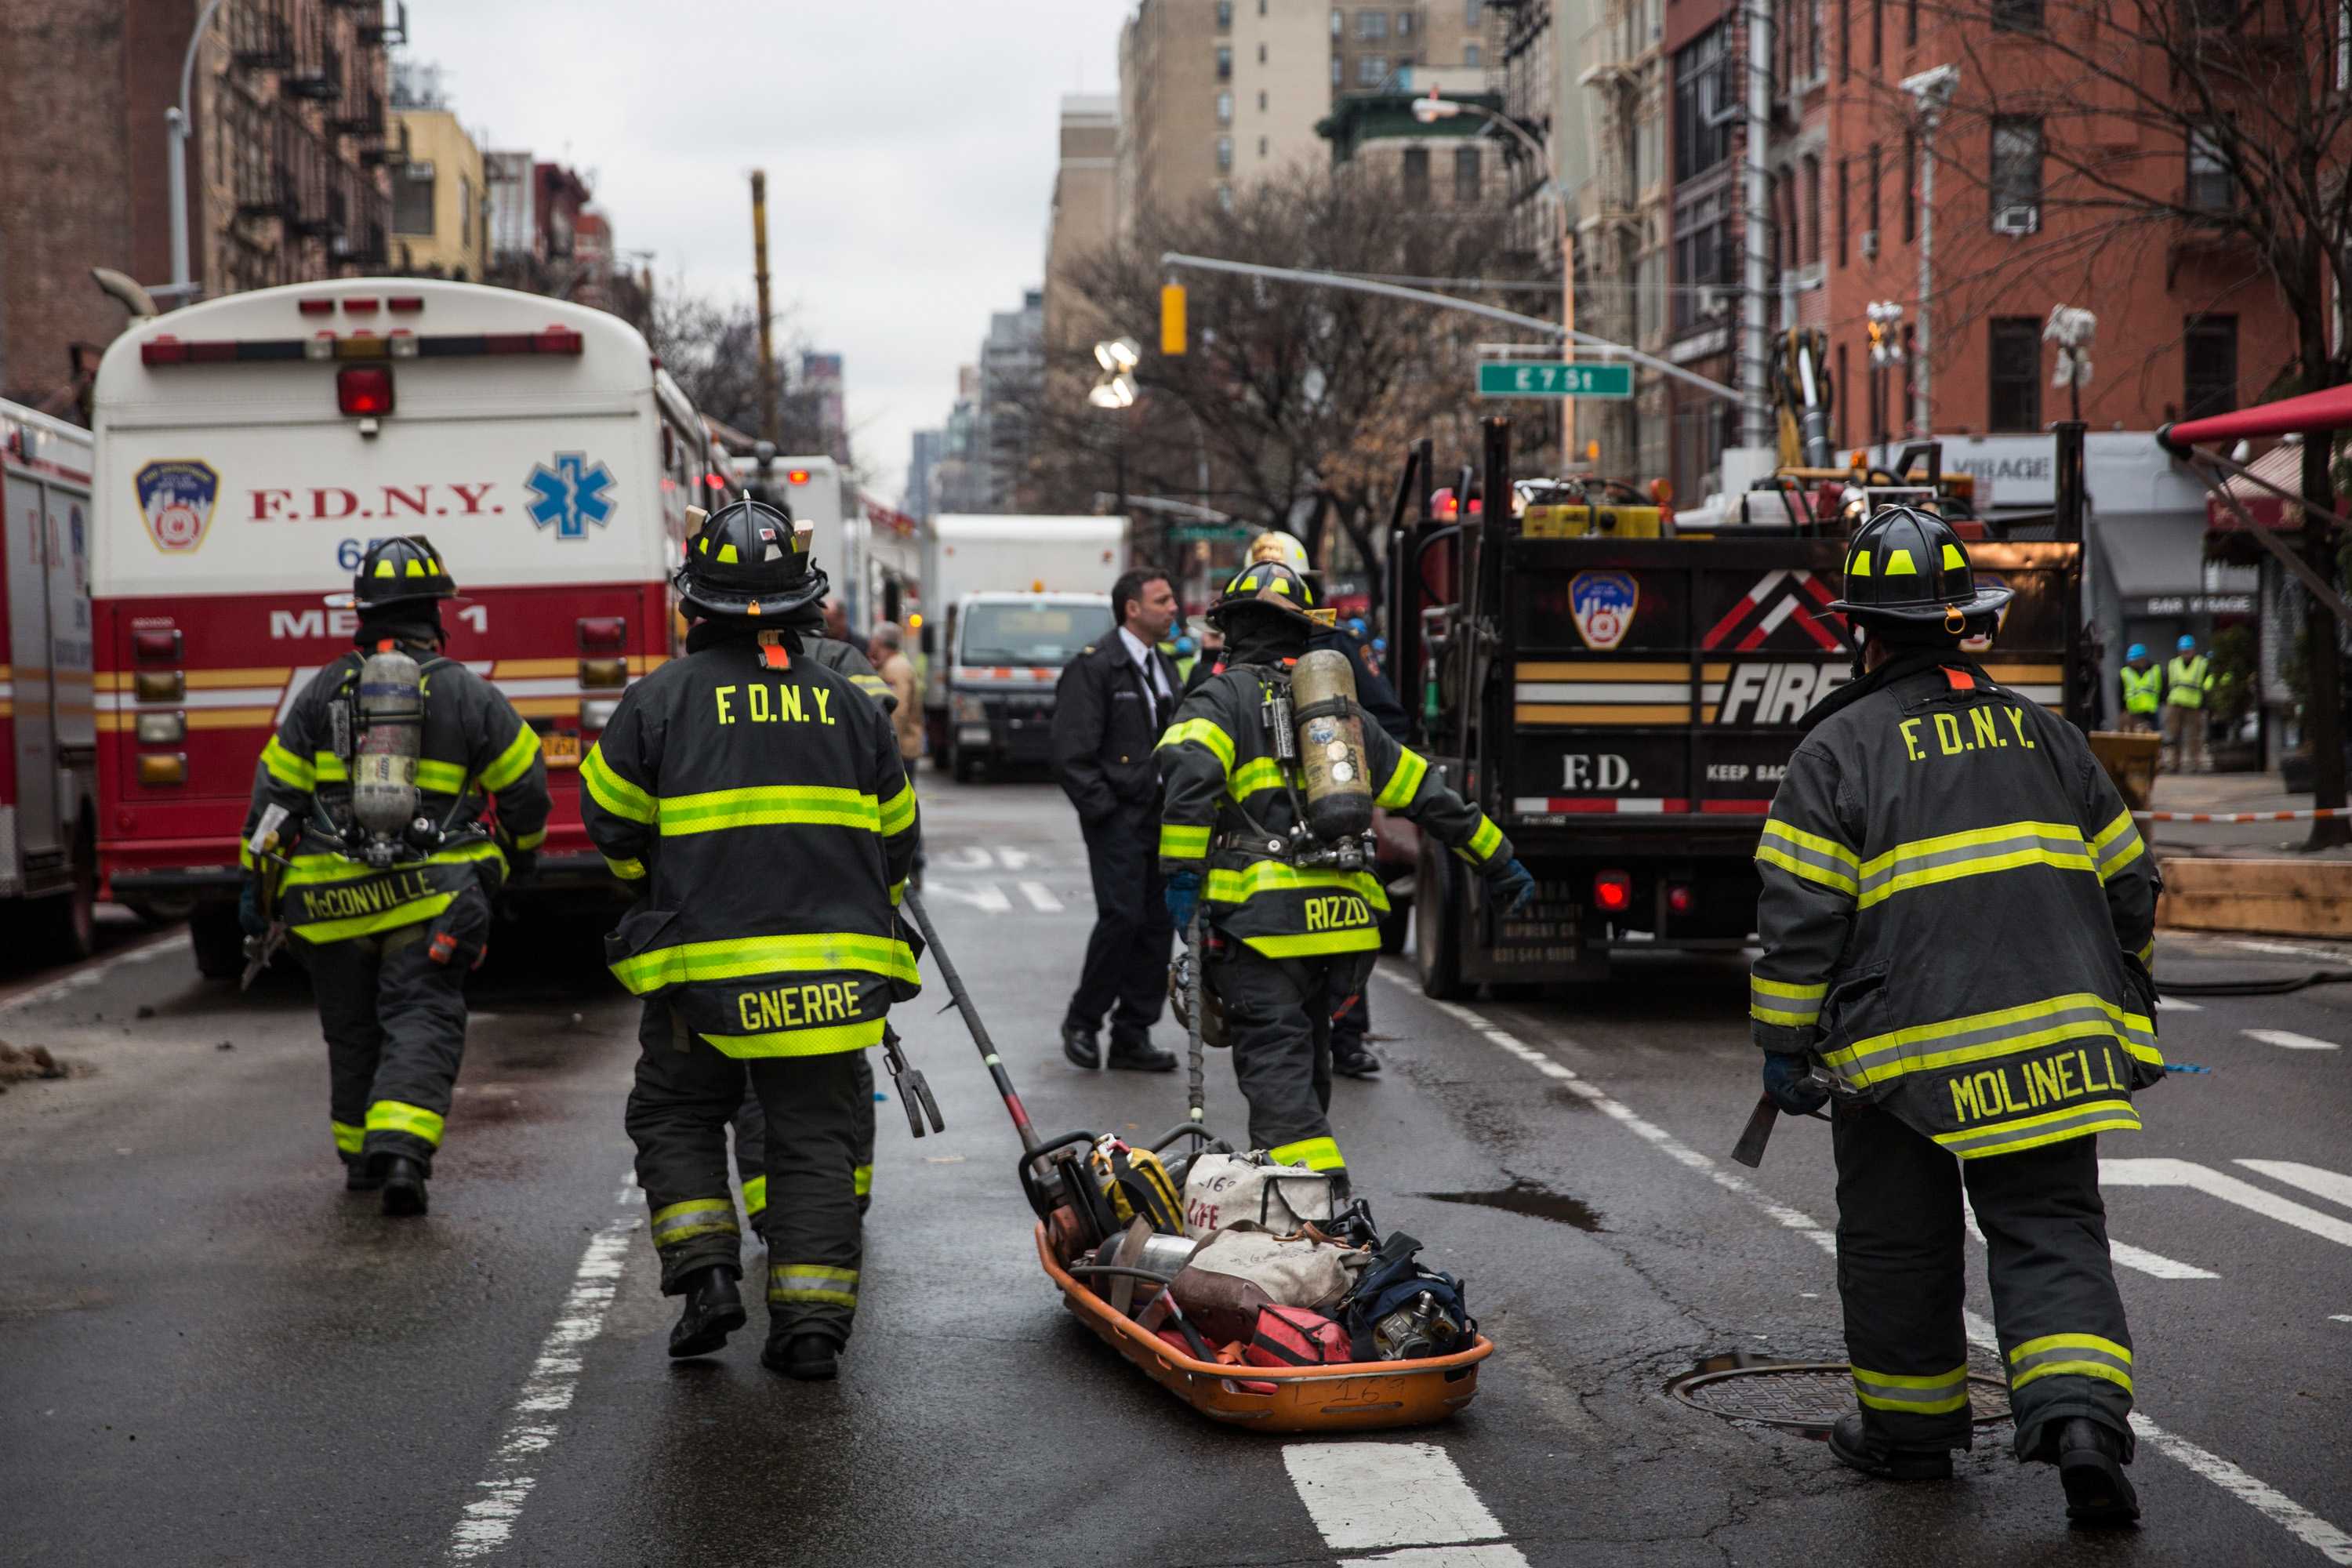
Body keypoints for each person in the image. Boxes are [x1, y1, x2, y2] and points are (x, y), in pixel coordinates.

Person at [1750, 504, 2161, 1525]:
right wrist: (2126, 996)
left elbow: (1801, 925)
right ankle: (2080, 1424)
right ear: (1962, 621)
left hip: (1904, 1061)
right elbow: (2132, 884)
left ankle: (1910, 1436)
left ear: (1863, 628)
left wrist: (1783, 1047)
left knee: (1899, 1240)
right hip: (2056, 1047)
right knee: (2051, 1226)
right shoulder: (2049, 735)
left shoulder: (1835, 751)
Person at [582, 499, 920, 1381]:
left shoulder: (654, 704)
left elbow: (610, 827)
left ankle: (709, 1279)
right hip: (833, 981)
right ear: (804, 604)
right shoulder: (854, 705)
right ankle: (811, 1329)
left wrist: (653, 892)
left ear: (695, 605)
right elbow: (900, 845)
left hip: (702, 977)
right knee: (812, 1134)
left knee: (677, 1108)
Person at [1156, 561, 1534, 1192]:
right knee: (1308, 1063)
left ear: (1234, 630)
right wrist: (1499, 861)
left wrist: (1180, 878)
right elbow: (1426, 791)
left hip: (1262, 929)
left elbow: (1188, 781)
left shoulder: (1220, 699)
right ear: (1303, 634)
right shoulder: (1339, 718)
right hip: (1344, 929)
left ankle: (1319, 1209)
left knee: (1278, 1079)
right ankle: (1302, 1202)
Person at [244, 536, 549, 1216]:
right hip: (431, 900)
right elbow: (526, 788)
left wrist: (255, 889)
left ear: (363, 614)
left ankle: (360, 1162)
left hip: (327, 903)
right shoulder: (468, 692)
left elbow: (274, 801)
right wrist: (522, 852)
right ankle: (404, 1152)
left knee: (351, 1032)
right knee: (421, 1018)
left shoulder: (321, 690)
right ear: (437, 612)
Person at [725, 554, 898, 1225]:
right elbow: (878, 742)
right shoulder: (840, 663)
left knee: (756, 1069)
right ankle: (839, 1197)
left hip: (740, 901)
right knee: (838, 1060)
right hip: (834, 894)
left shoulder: (705, 676)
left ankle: (782, 1207)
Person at [1217, 531, 1408, 1077]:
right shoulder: (1226, 669)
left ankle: (1342, 1037)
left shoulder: (1338, 653)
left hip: (1326, 820)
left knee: (1335, 929)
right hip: (1261, 836)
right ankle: (1308, 1042)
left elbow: (1387, 721)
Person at [1050, 569, 1184, 1071]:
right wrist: (1107, 813)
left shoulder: (1163, 666)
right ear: (1132, 608)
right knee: (1121, 918)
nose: (1174, 607)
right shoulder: (1096, 667)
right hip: (1120, 820)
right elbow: (1071, 755)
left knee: (1156, 925)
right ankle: (1083, 1021)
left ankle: (1133, 1034)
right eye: (1162, 599)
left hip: (1162, 820)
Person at [2163, 633, 2213, 773]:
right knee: (2173, 736)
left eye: (2188, 650)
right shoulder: (2174, 664)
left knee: (2194, 736)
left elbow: (2208, 679)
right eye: (2183, 651)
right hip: (2175, 704)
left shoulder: (2201, 664)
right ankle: (2174, 764)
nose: (2185, 653)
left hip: (2194, 705)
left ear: (2193, 650)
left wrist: (2206, 693)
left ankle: (2194, 764)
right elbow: (2167, 683)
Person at [2118, 643, 2161, 735]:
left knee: (2152, 740)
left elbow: (2161, 690)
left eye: (2134, 660)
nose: (2131, 663)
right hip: (2133, 713)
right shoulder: (2125, 672)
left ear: (2142, 659)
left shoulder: (2155, 671)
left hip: (2151, 713)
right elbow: (2121, 695)